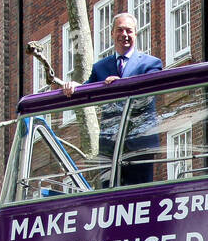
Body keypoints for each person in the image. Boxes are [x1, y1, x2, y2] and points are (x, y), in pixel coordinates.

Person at [61, 14, 163, 185]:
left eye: (129, 31)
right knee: (110, 199)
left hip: (139, 143)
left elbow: (150, 90)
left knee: (140, 197)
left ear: (135, 34)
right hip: (110, 146)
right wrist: (74, 86)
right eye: (120, 30)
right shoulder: (100, 67)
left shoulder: (150, 64)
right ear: (112, 34)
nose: (124, 34)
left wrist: (122, 85)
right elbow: (87, 91)